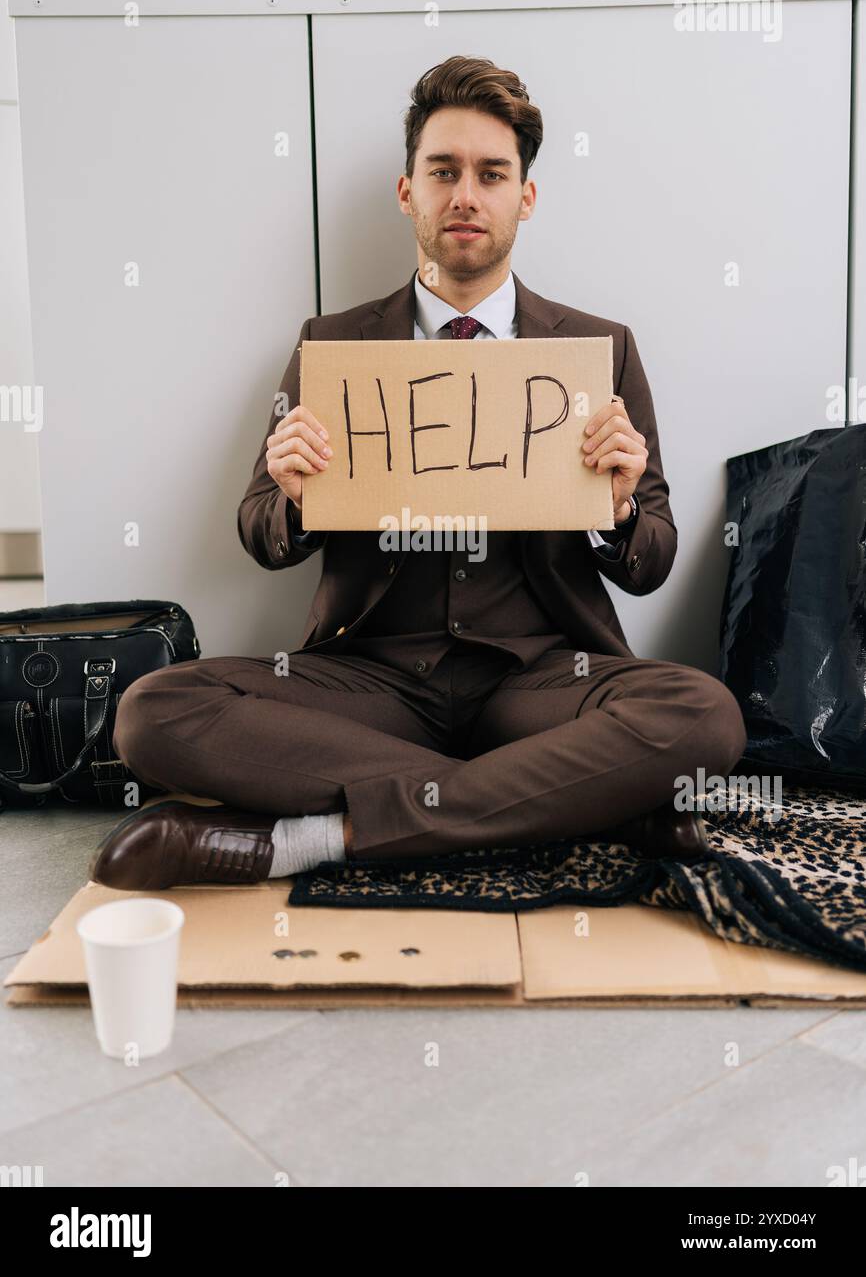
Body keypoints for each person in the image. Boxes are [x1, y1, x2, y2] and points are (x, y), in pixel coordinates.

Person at [91, 55, 746, 890]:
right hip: (371, 681)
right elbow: (259, 534)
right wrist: (289, 496)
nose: (465, 194)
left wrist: (615, 510)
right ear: (409, 193)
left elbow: (652, 560)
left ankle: (307, 841)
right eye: (443, 171)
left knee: (703, 716)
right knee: (154, 712)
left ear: (525, 198)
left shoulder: (597, 349)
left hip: (539, 679)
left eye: (490, 173)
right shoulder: (332, 344)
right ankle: (585, 801)